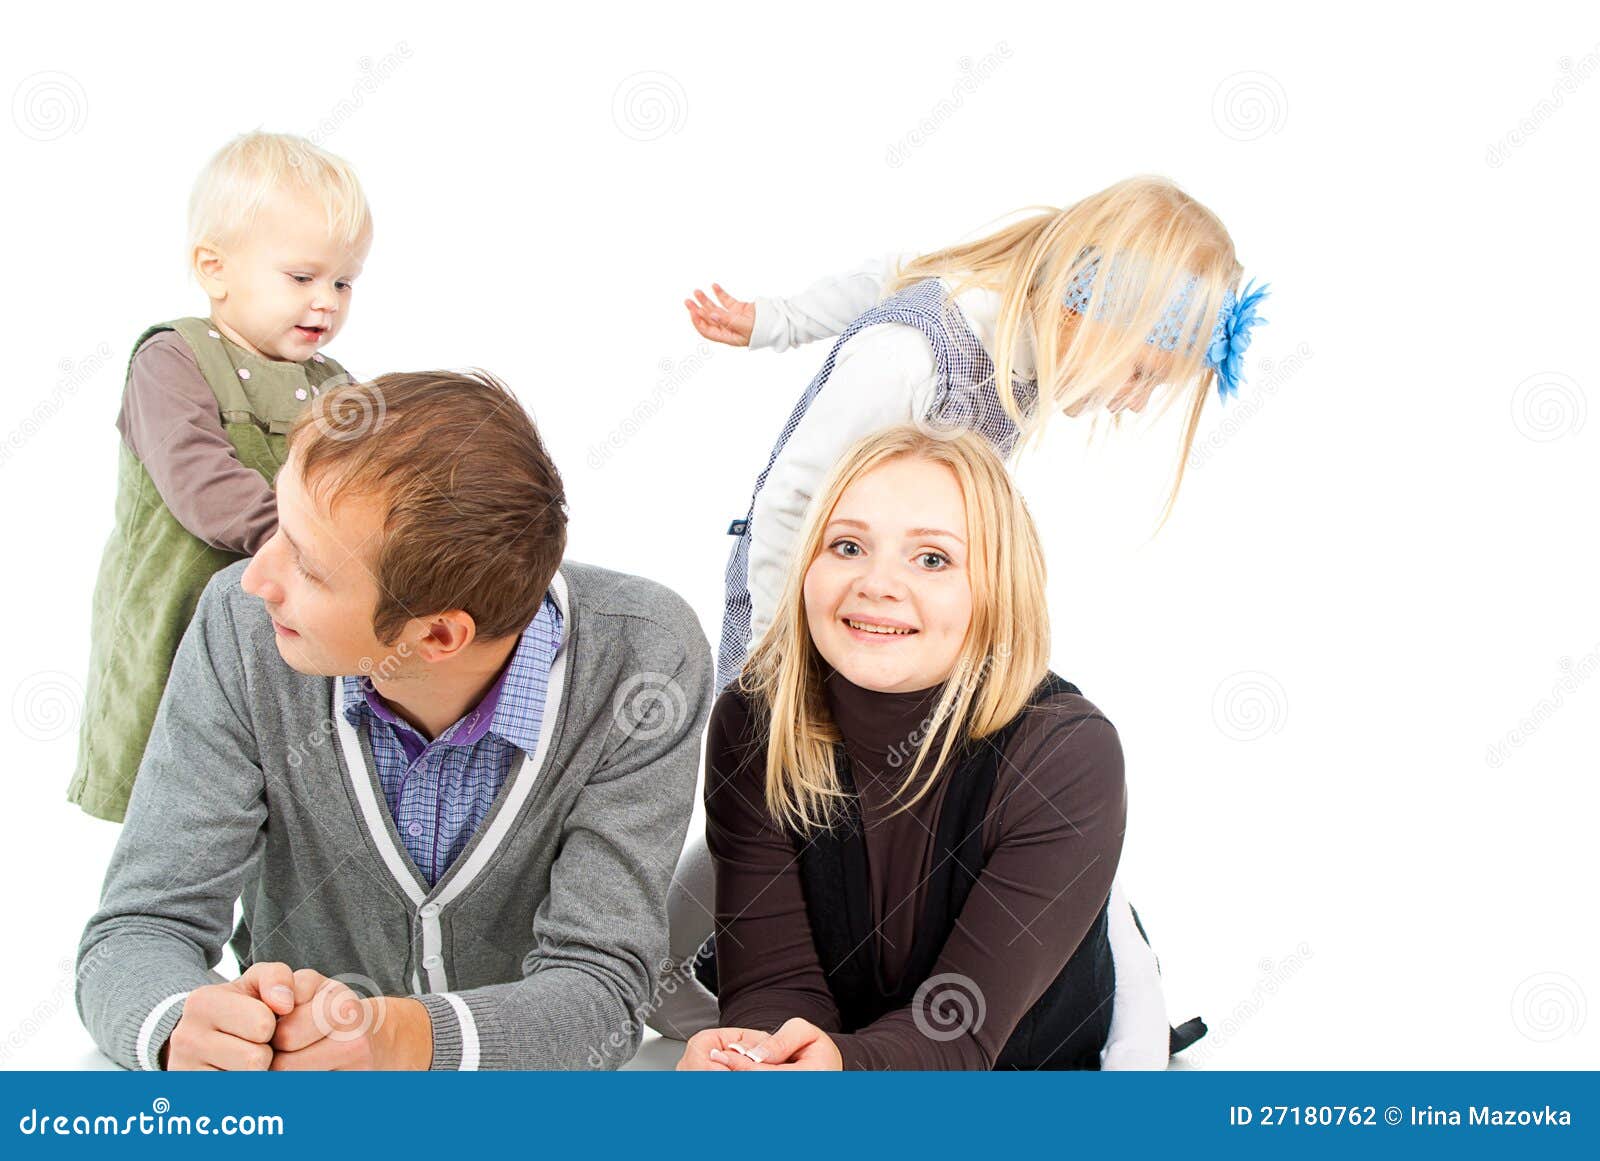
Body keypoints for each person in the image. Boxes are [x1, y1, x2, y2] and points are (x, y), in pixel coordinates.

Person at [656, 175, 1267, 1061]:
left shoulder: (994, 325)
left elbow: (885, 271)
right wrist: (788, 662)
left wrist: (773, 320)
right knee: (783, 808)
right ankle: (657, 974)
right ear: (1098, 316)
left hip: (896, 654)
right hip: (787, 608)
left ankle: (1124, 1011)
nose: (1135, 400)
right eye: (1141, 371)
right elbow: (796, 502)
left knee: (948, 818)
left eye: (937, 556)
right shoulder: (915, 353)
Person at [75, 370, 712, 1070]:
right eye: (278, 524)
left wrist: (401, 1038)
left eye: (309, 567)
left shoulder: (645, 658)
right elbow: (139, 926)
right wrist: (178, 1024)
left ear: (438, 637)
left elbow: (601, 991)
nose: (258, 577)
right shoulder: (242, 624)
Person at [676, 425, 1205, 1069]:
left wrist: (841, 1070)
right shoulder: (753, 723)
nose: (876, 583)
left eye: (932, 558)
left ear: (995, 589)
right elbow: (773, 984)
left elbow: (958, 1031)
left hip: (1028, 1062)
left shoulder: (1069, 754)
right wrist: (757, 1053)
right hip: (863, 1041)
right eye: (847, 545)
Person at [70, 130, 372, 822]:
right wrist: (316, 546)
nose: (326, 301)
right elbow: (204, 485)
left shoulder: (342, 389)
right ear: (214, 268)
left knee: (285, 813)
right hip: (176, 618)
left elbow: (371, 490)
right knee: (180, 809)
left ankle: (272, 934)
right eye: (302, 278)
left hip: (283, 634)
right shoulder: (172, 360)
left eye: (343, 281)